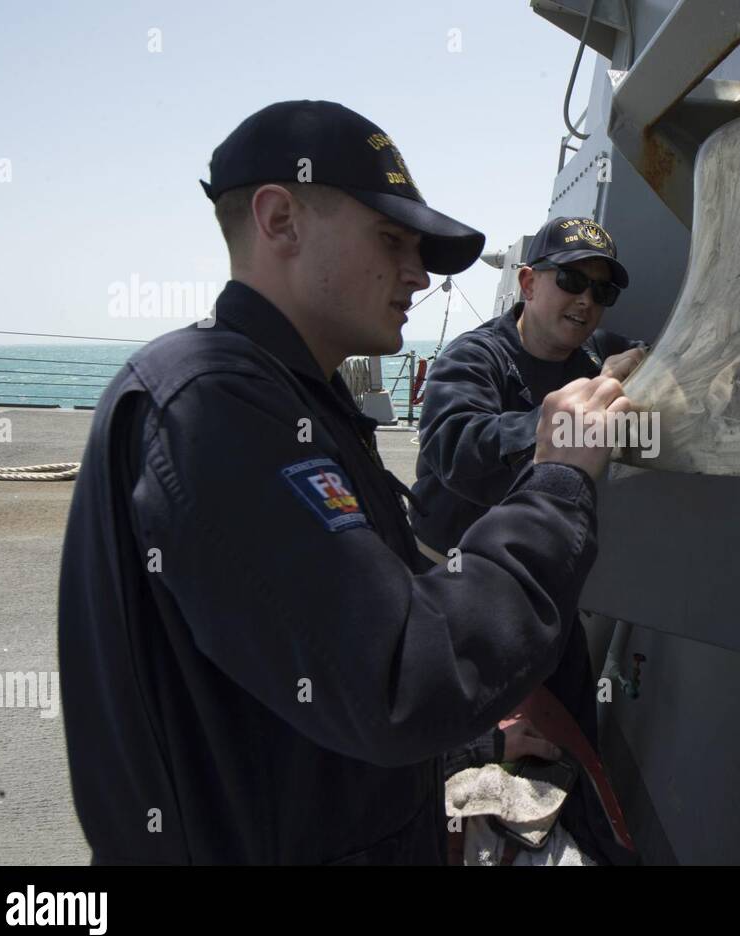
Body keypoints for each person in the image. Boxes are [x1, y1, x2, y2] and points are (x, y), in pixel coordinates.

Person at [56, 100, 629, 865]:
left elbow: (316, 675)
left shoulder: (289, 400)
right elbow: (402, 678)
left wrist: (473, 743)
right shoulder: (211, 409)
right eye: (391, 238)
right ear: (279, 219)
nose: (418, 273)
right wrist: (558, 476)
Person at [410, 215, 647, 864]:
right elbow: (457, 449)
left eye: (602, 291)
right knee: (465, 769)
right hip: (454, 598)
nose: (586, 301)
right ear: (527, 281)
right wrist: (559, 423)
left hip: (544, 592)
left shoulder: (600, 358)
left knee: (569, 745)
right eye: (570, 279)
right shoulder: (475, 358)